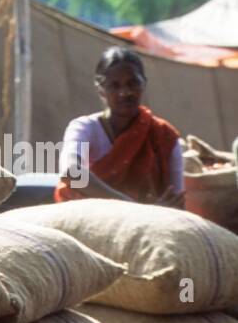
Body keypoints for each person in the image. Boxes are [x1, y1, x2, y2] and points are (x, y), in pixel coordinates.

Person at [56, 46, 184, 207]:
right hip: (91, 218)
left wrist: (150, 214)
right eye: (114, 86)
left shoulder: (164, 136)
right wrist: (133, 207)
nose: (125, 92)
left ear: (144, 83)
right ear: (100, 89)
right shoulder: (84, 128)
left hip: (151, 225)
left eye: (132, 83)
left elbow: (176, 201)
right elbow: (71, 172)